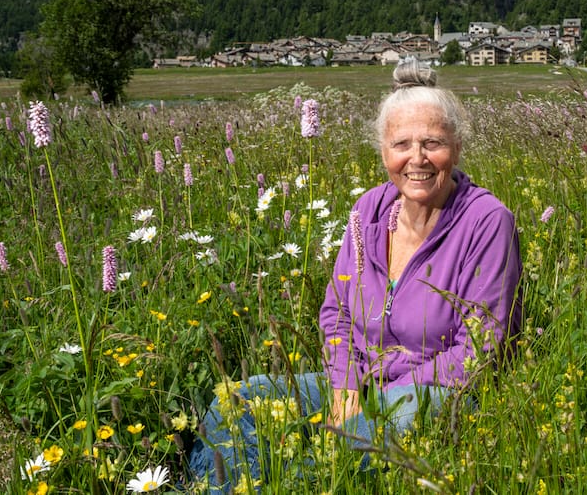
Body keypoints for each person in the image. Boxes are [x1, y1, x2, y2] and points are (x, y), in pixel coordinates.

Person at [188, 60, 523, 492]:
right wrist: (346, 386)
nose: (416, 158)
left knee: (346, 448)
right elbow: (337, 312)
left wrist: (382, 398)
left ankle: (293, 483)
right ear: (383, 151)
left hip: (431, 393)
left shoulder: (487, 221)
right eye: (401, 143)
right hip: (355, 381)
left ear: (456, 148)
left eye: (433, 143)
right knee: (236, 401)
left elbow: (481, 346)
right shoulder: (368, 212)